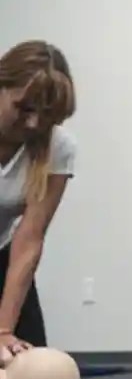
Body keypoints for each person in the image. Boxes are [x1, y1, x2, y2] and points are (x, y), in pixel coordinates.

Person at [0, 41, 75, 358]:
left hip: (4, 255)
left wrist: (4, 330)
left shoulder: (58, 146)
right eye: (23, 108)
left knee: (33, 371)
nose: (33, 124)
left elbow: (29, 238)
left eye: (47, 116)